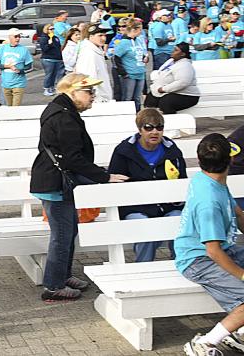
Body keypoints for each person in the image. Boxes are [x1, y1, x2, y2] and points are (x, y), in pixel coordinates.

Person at [30, 73, 128, 302]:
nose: (92, 96)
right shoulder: (64, 117)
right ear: (72, 92)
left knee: (68, 232)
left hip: (56, 180)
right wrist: (104, 176)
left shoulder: (62, 111)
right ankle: (54, 286)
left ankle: (62, 276)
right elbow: (72, 159)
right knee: (62, 236)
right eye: (88, 92)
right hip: (56, 182)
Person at [175, 134, 244, 356]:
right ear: (230, 162)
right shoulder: (209, 202)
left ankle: (239, 332)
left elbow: (237, 212)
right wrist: (242, 275)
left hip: (222, 250)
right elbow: (212, 250)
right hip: (198, 260)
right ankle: (204, 343)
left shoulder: (208, 179)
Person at [107, 109, 187, 262]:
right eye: (149, 127)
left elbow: (182, 181)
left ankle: (182, 264)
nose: (155, 132)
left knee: (180, 220)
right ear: (140, 129)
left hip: (168, 207)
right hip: (136, 208)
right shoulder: (123, 151)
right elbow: (115, 188)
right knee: (145, 228)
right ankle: (143, 266)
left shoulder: (172, 150)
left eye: (159, 127)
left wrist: (176, 200)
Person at [144, 42, 200, 114]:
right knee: (150, 100)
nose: (172, 51)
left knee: (165, 102)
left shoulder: (185, 65)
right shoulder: (171, 61)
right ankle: (151, 121)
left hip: (186, 95)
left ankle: (171, 123)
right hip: (168, 92)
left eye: (176, 50)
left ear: (183, 54)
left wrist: (163, 89)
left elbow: (182, 82)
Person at [113, 19, 147, 111]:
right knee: (128, 98)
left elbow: (139, 52)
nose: (141, 32)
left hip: (140, 72)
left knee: (137, 98)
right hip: (130, 74)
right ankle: (126, 115)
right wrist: (123, 72)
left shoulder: (138, 40)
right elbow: (116, 57)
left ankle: (138, 114)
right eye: (140, 29)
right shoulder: (124, 42)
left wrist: (144, 57)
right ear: (134, 30)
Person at [75, 23, 114, 102]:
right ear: (91, 37)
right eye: (100, 35)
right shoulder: (89, 53)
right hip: (97, 100)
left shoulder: (96, 50)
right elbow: (89, 78)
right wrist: (96, 99)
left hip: (103, 97)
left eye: (104, 35)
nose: (103, 38)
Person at [0, 28, 33, 106]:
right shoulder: (3, 48)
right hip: (5, 83)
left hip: (18, 83)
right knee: (9, 107)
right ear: (10, 37)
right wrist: (8, 66)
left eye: (19, 36)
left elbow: (29, 66)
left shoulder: (23, 49)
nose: (18, 38)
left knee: (15, 108)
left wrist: (20, 70)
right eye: (15, 36)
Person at [39, 23, 64, 97]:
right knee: (49, 74)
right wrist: (49, 44)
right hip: (48, 59)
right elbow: (44, 49)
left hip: (57, 58)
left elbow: (58, 48)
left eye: (53, 29)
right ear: (47, 30)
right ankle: (46, 88)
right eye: (51, 29)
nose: (52, 30)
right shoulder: (44, 38)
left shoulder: (55, 38)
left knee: (54, 74)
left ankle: (52, 87)